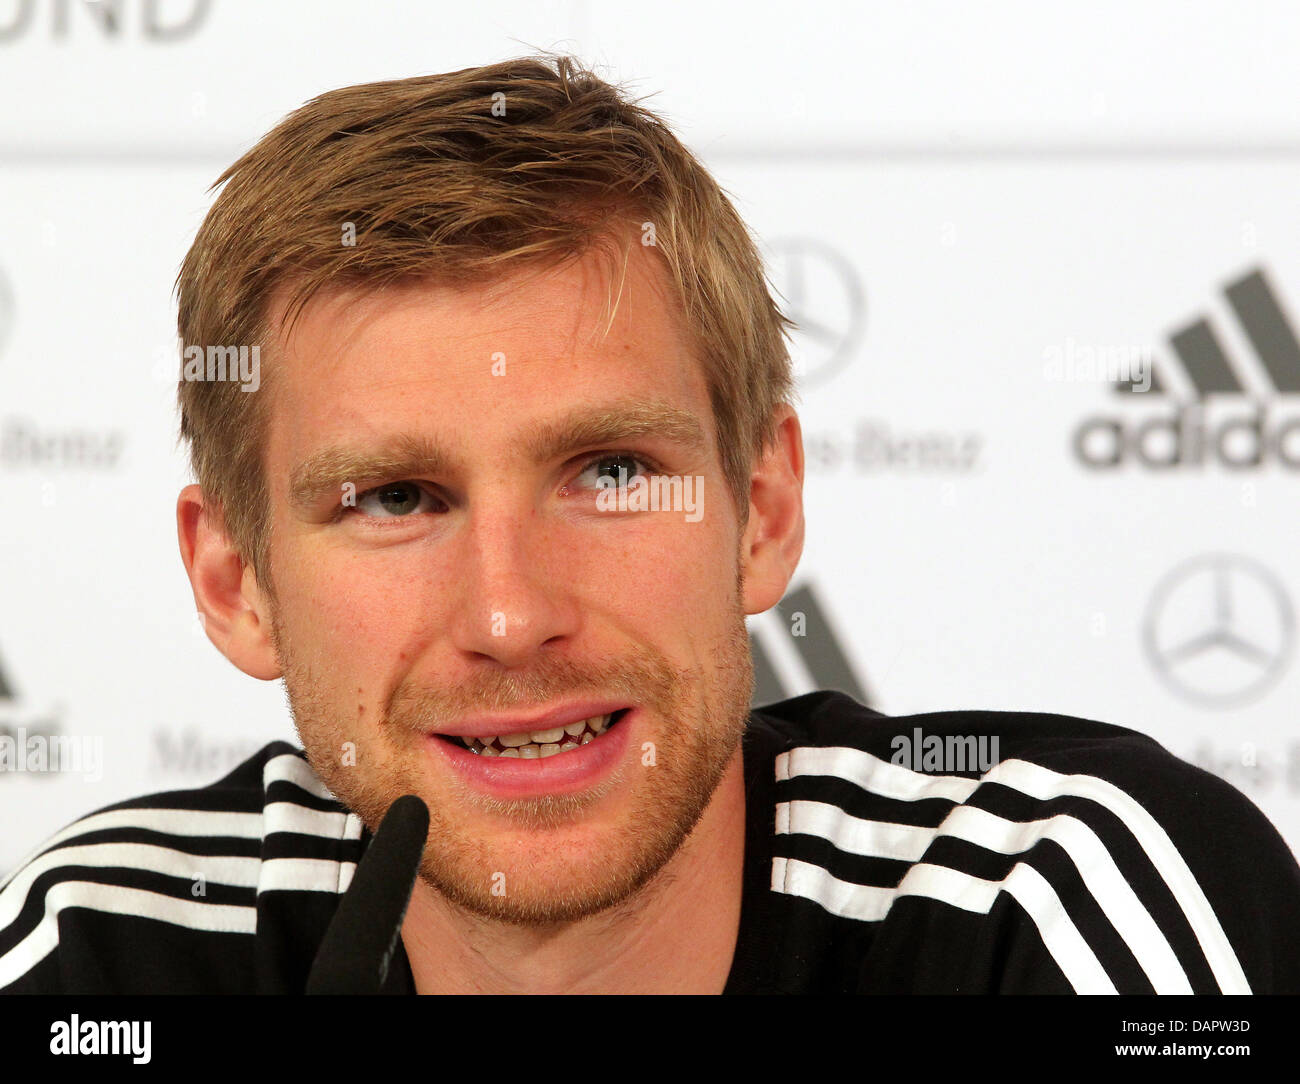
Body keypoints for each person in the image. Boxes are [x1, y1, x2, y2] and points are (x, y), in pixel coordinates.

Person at [2, 55, 1297, 995]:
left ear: (762, 510)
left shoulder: (1056, 907)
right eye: (396, 499)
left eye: (611, 472)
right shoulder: (94, 958)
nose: (512, 617)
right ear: (238, 585)